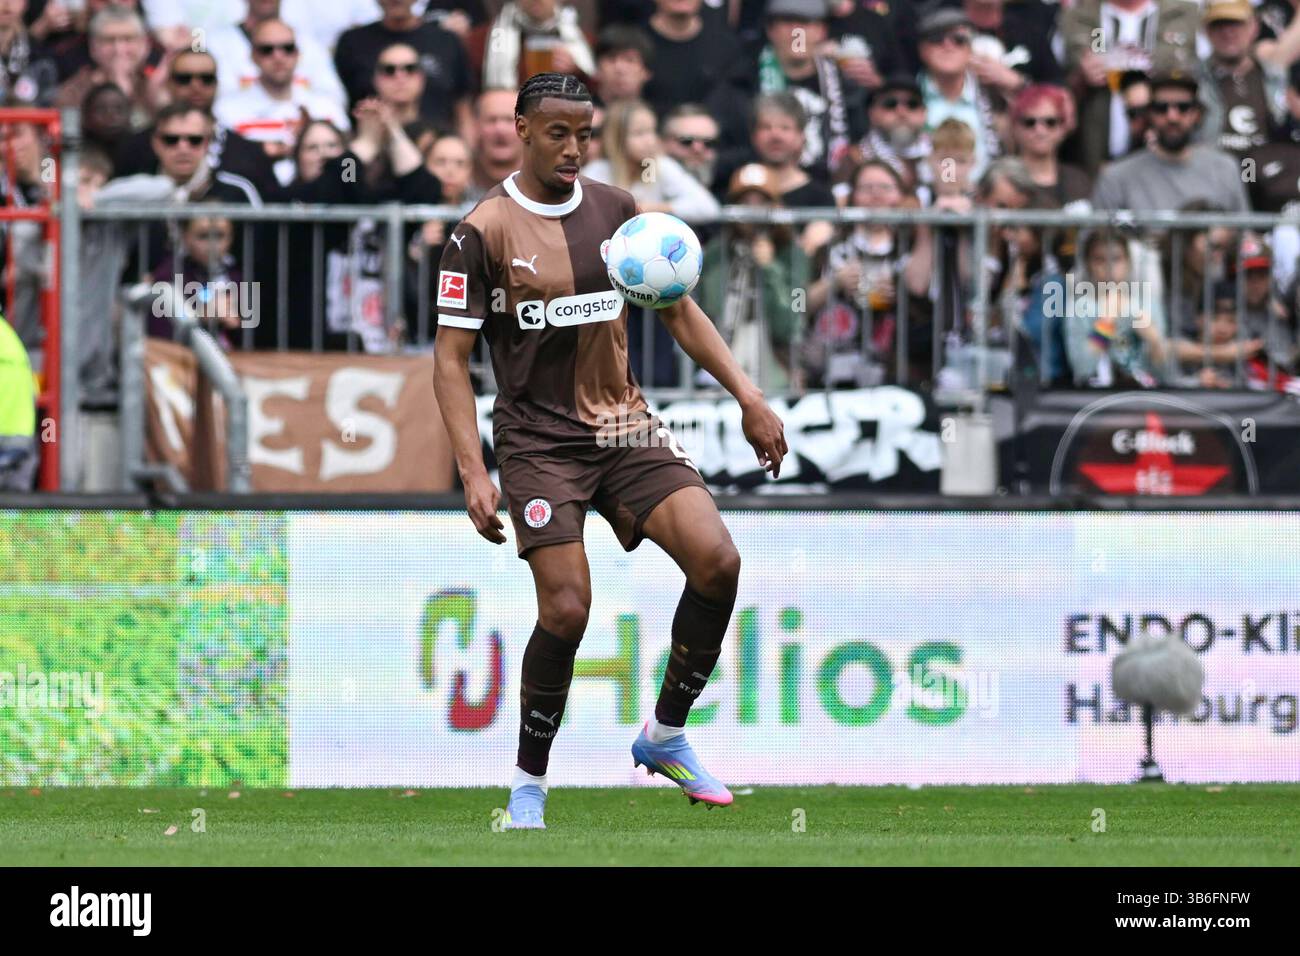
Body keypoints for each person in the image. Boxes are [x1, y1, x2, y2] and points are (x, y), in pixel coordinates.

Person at [432, 73, 786, 829]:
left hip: (624, 428)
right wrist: (473, 469)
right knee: (566, 608)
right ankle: (528, 787)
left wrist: (749, 398)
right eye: (556, 132)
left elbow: (678, 310)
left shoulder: (619, 212)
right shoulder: (481, 230)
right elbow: (448, 357)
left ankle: (664, 735)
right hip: (536, 440)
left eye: (583, 134)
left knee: (719, 561)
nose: (572, 148)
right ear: (521, 129)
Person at [696, 163, 809, 392]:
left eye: (761, 202)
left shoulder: (793, 255)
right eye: (745, 202)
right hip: (718, 373)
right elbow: (710, 309)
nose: (752, 211)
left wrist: (769, 269)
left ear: (776, 207)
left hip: (774, 375)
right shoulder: (718, 253)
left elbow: (791, 323)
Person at [214, 18, 351, 187]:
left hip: (322, 204)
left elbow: (348, 164)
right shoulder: (227, 111)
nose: (278, 57)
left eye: (287, 48)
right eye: (267, 50)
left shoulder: (327, 108)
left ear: (298, 54)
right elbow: (221, 167)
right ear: (253, 56)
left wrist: (349, 187)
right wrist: (261, 153)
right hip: (253, 204)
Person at [1091, 71, 1251, 214]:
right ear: (1149, 113)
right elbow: (1098, 242)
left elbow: (1244, 239)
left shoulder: (1225, 169)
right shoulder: (1116, 177)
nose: (1172, 117)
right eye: (1161, 108)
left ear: (1197, 114)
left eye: (1183, 107)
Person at [582, 99, 720, 220]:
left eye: (652, 131)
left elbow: (708, 208)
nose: (650, 141)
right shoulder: (598, 172)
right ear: (617, 138)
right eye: (639, 133)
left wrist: (657, 208)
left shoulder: (658, 165)